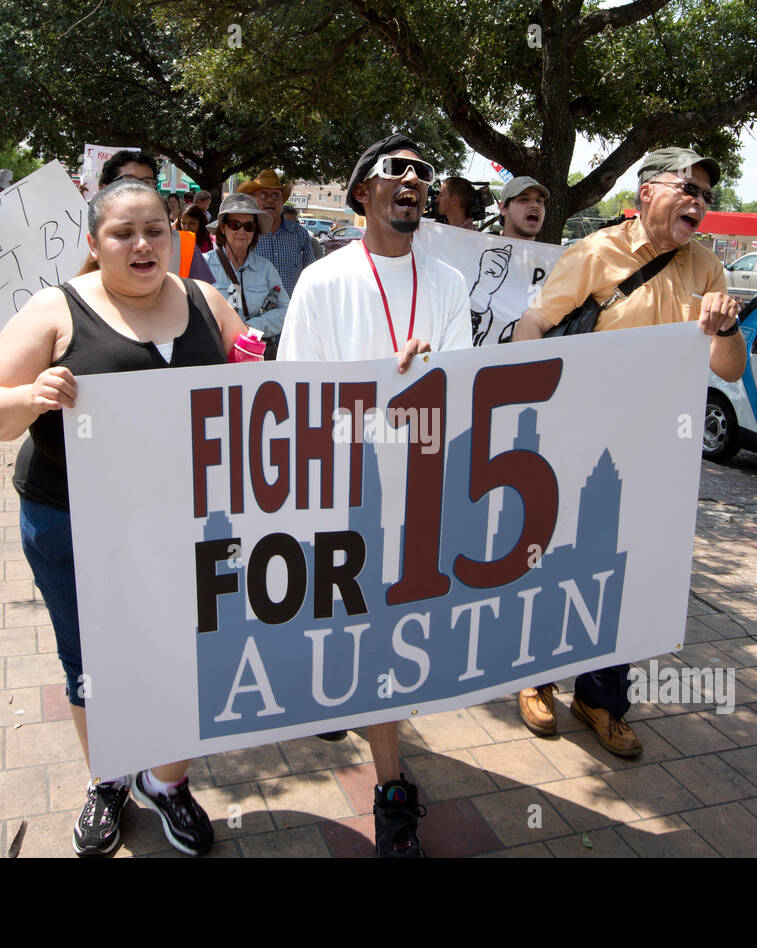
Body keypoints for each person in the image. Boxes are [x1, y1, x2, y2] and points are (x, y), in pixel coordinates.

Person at [0, 180, 247, 858]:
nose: (143, 244)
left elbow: (265, 380)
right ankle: (109, 779)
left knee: (194, 650)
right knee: (90, 660)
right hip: (73, 522)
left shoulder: (208, 301)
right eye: (124, 232)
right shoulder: (54, 309)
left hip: (188, 521)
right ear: (94, 244)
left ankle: (167, 779)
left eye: (156, 228)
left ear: (176, 233)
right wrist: (32, 395)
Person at [511, 146, 746, 755]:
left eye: (706, 195)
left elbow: (731, 369)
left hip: (658, 453)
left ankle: (602, 699)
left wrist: (726, 329)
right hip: (580, 439)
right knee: (558, 558)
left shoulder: (708, 270)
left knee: (630, 575)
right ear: (647, 193)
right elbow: (533, 325)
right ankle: (536, 679)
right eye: (687, 188)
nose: (699, 201)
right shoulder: (594, 254)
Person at [278, 133, 471, 858]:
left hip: (417, 495)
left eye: (424, 172)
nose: (414, 180)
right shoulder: (323, 284)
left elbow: (456, 401)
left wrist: (413, 400)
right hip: (343, 494)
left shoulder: (449, 286)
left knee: (389, 641)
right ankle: (367, 747)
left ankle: (388, 780)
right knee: (347, 633)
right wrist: (381, 399)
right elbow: (300, 405)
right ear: (363, 191)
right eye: (396, 171)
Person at [98, 151, 212, 282]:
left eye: (147, 183)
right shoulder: (81, 245)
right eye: (129, 182)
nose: (140, 190)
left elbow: (204, 296)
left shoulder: (183, 245)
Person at [204, 193, 289, 353]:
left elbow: (286, 310)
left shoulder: (266, 269)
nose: (242, 231)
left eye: (249, 226)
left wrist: (250, 328)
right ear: (222, 228)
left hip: (253, 355)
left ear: (255, 231)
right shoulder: (204, 264)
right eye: (234, 224)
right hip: (214, 353)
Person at [240, 169, 316, 294]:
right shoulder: (245, 231)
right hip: (254, 311)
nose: (270, 200)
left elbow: (311, 273)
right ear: (253, 199)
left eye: (276, 195)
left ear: (282, 200)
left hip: (291, 309)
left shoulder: (299, 234)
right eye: (263, 194)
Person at [498, 176, 547, 240]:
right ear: (502, 209)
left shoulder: (557, 250)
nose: (535, 205)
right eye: (524, 199)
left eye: (539, 201)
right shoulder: (482, 246)